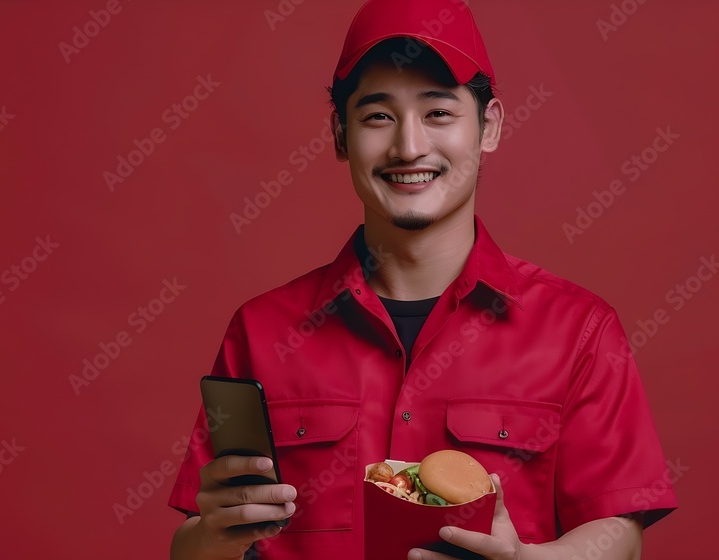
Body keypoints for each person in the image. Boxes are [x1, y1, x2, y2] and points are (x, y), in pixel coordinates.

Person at [168, 1, 677, 558]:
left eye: (438, 113)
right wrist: (215, 534)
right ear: (340, 136)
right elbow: (193, 545)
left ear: (490, 127)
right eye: (378, 116)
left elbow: (618, 534)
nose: (409, 147)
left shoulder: (580, 331)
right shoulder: (262, 332)